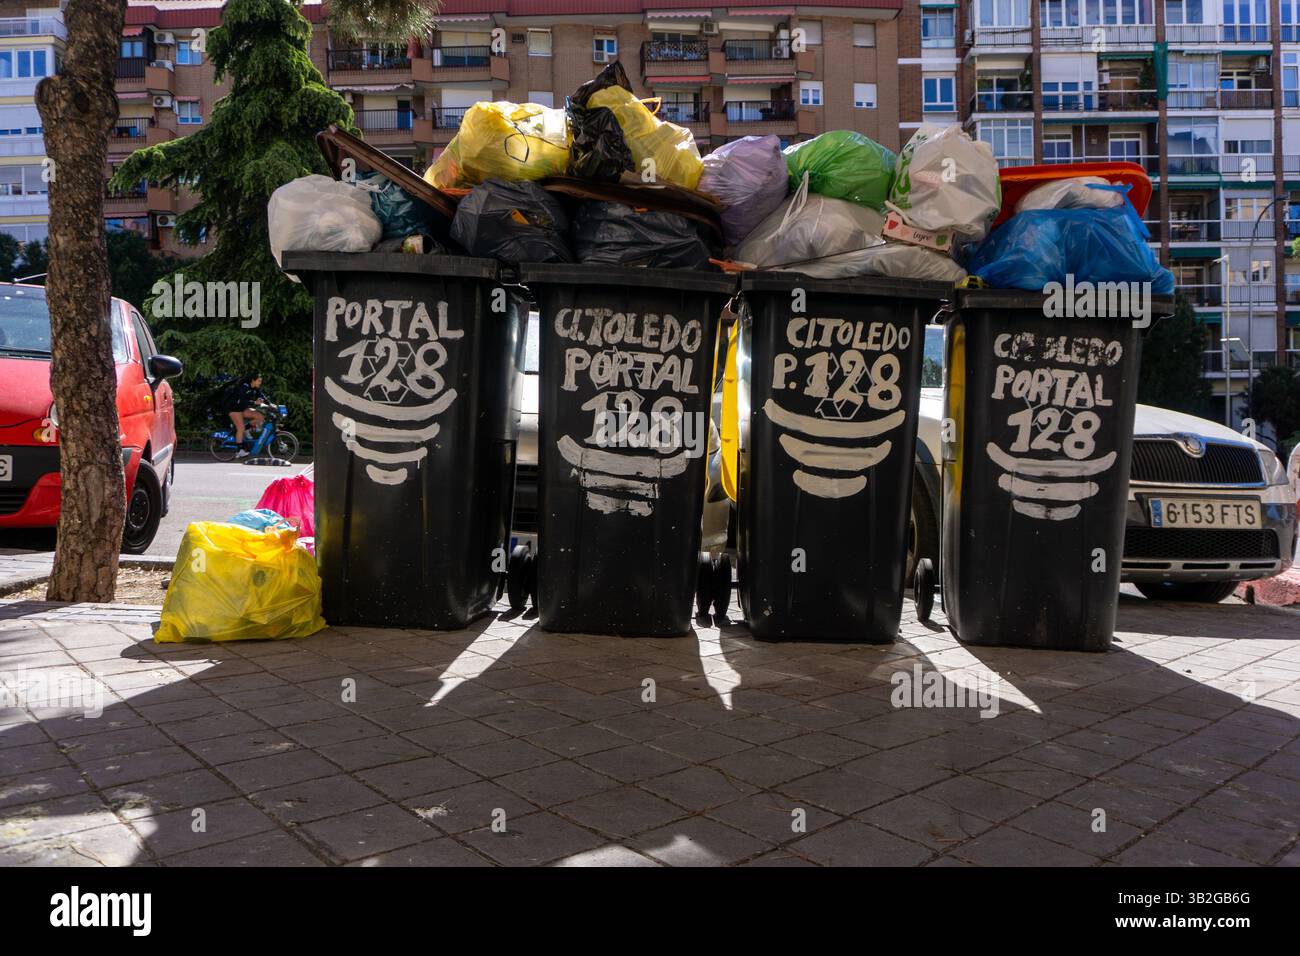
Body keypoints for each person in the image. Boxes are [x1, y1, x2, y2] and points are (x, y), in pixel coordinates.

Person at [226, 372, 269, 458]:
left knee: (260, 417)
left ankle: (246, 429)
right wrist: (254, 402)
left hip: (243, 408)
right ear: (253, 380)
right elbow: (243, 400)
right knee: (240, 428)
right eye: (259, 381)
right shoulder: (244, 386)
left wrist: (271, 405)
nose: (260, 383)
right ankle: (239, 451)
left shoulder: (255, 388)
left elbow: (262, 397)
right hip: (234, 408)